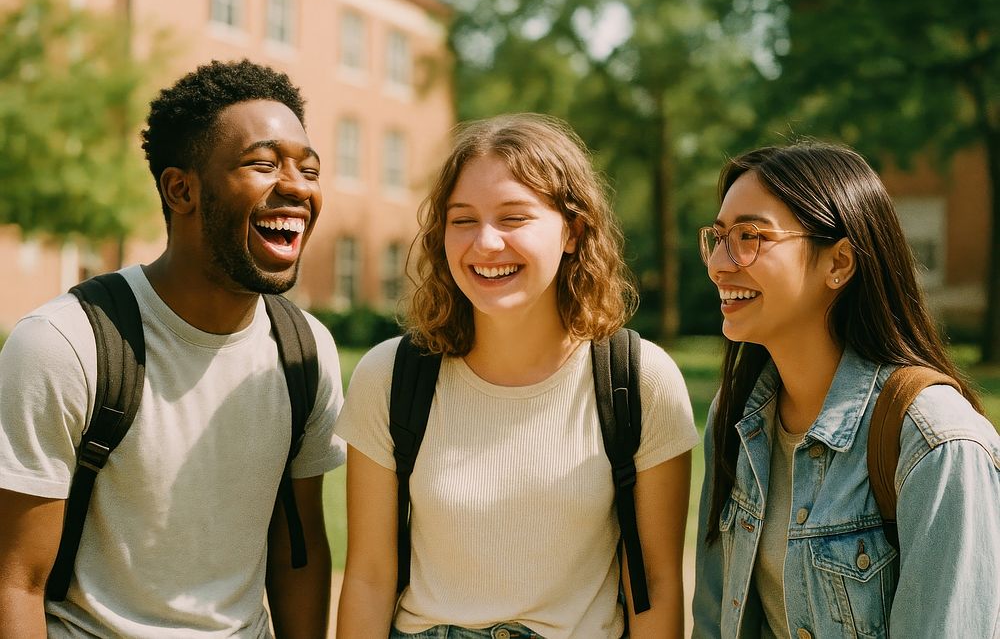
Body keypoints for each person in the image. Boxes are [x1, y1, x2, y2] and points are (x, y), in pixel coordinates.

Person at [0, 59, 345, 638]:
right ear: (180, 189)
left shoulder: (305, 349)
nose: (296, 186)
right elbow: (15, 581)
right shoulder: (64, 343)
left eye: (308, 169)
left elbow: (297, 553)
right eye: (263, 163)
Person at [334, 113, 699, 639]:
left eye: (513, 218)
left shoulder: (640, 381)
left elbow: (656, 586)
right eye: (462, 220)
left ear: (572, 231)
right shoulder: (390, 376)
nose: (485, 243)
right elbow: (368, 578)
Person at [691, 142, 1000, 638]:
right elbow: (713, 623)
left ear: (838, 263)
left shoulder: (939, 445)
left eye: (750, 236)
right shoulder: (735, 422)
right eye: (719, 236)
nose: (719, 265)